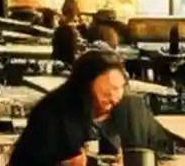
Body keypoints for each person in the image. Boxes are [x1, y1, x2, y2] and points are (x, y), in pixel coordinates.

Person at [9, 51, 178, 165]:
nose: (114, 97)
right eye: (106, 92)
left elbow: (165, 151)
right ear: (85, 86)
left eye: (118, 89)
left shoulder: (131, 109)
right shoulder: (53, 114)